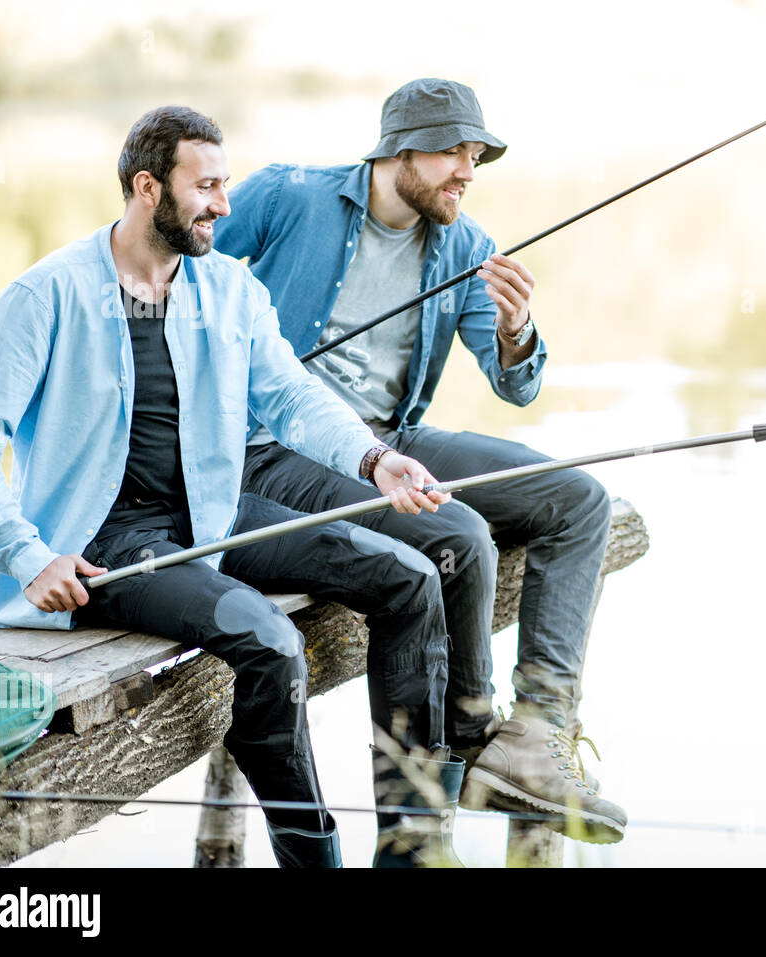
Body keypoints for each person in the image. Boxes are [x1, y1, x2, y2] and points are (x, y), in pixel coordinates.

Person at [0, 105, 466, 868]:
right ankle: (310, 856)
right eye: (208, 186)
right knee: (270, 641)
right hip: (104, 543)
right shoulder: (46, 294)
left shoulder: (229, 289)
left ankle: (415, 841)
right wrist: (27, 556)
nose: (225, 204)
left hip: (211, 512)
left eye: (226, 184)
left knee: (410, 575)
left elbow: (290, 396)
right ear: (147, 188)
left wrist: (372, 458)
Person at [214, 78, 626, 843]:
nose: (467, 171)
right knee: (458, 532)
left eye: (475, 156)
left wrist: (517, 329)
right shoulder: (287, 196)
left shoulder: (466, 245)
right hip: (273, 446)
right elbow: (175, 272)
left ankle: (535, 734)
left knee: (579, 500)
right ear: (400, 150)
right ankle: (473, 737)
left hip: (392, 438)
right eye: (453, 153)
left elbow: (517, 386)